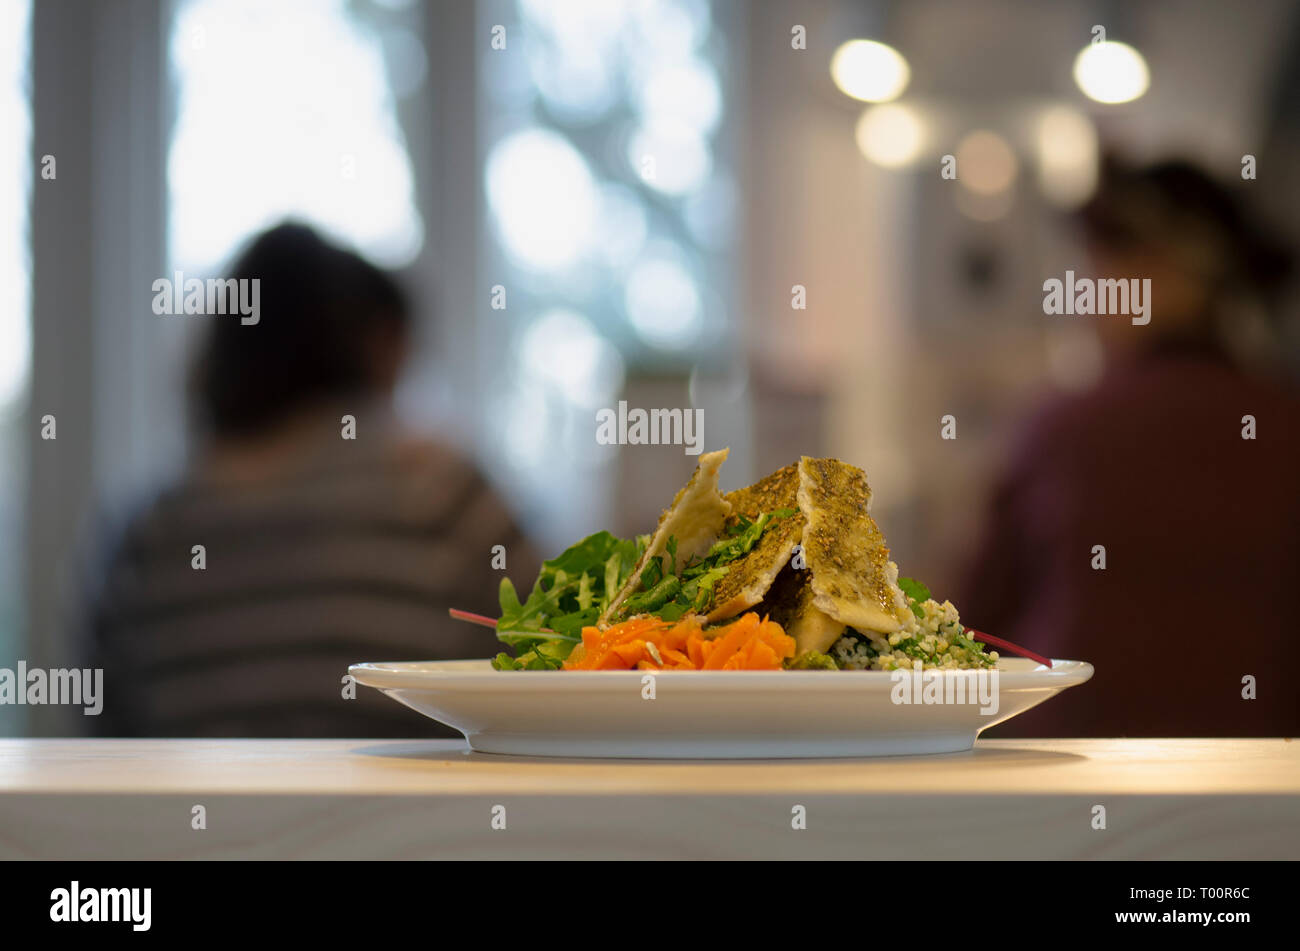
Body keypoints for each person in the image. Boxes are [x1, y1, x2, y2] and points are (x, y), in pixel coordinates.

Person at [82, 223, 538, 737]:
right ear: (373, 345)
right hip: (420, 818)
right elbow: (553, 658)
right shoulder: (444, 495)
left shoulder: (144, 535)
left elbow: (101, 738)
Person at [958, 158, 1300, 738]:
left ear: (1171, 275)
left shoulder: (1063, 429)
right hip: (1265, 793)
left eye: (1106, 272)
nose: (1088, 299)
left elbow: (971, 633)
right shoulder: (1284, 423)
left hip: (1066, 779)